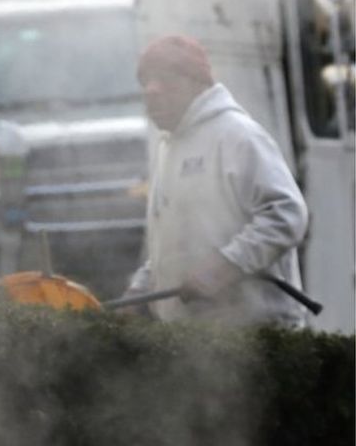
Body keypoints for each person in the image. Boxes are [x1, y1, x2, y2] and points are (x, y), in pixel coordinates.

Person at [124, 34, 310, 326]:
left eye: (165, 79)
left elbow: (286, 215)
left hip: (261, 334)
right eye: (145, 81)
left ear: (198, 83)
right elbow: (173, 243)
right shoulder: (168, 147)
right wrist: (143, 284)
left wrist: (223, 266)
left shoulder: (236, 135)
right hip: (199, 341)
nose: (152, 90)